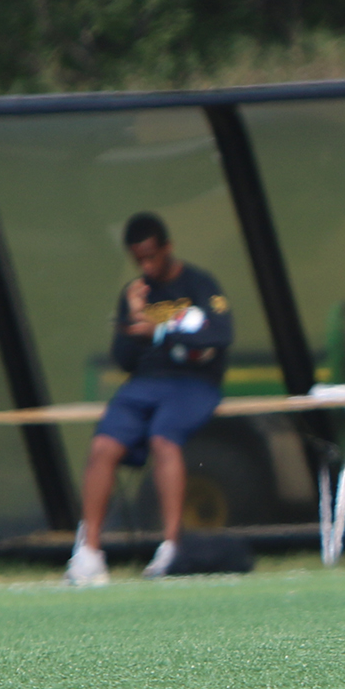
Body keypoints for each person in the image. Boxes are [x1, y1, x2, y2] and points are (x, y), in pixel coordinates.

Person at [64, 212, 232, 584]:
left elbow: (219, 335)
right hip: (146, 382)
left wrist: (161, 328)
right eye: (139, 259)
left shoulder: (200, 284)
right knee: (104, 445)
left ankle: (171, 547)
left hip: (193, 382)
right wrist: (130, 321)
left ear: (167, 248)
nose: (147, 266)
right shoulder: (137, 292)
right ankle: (89, 553)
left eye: (152, 256)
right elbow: (123, 358)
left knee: (163, 437)